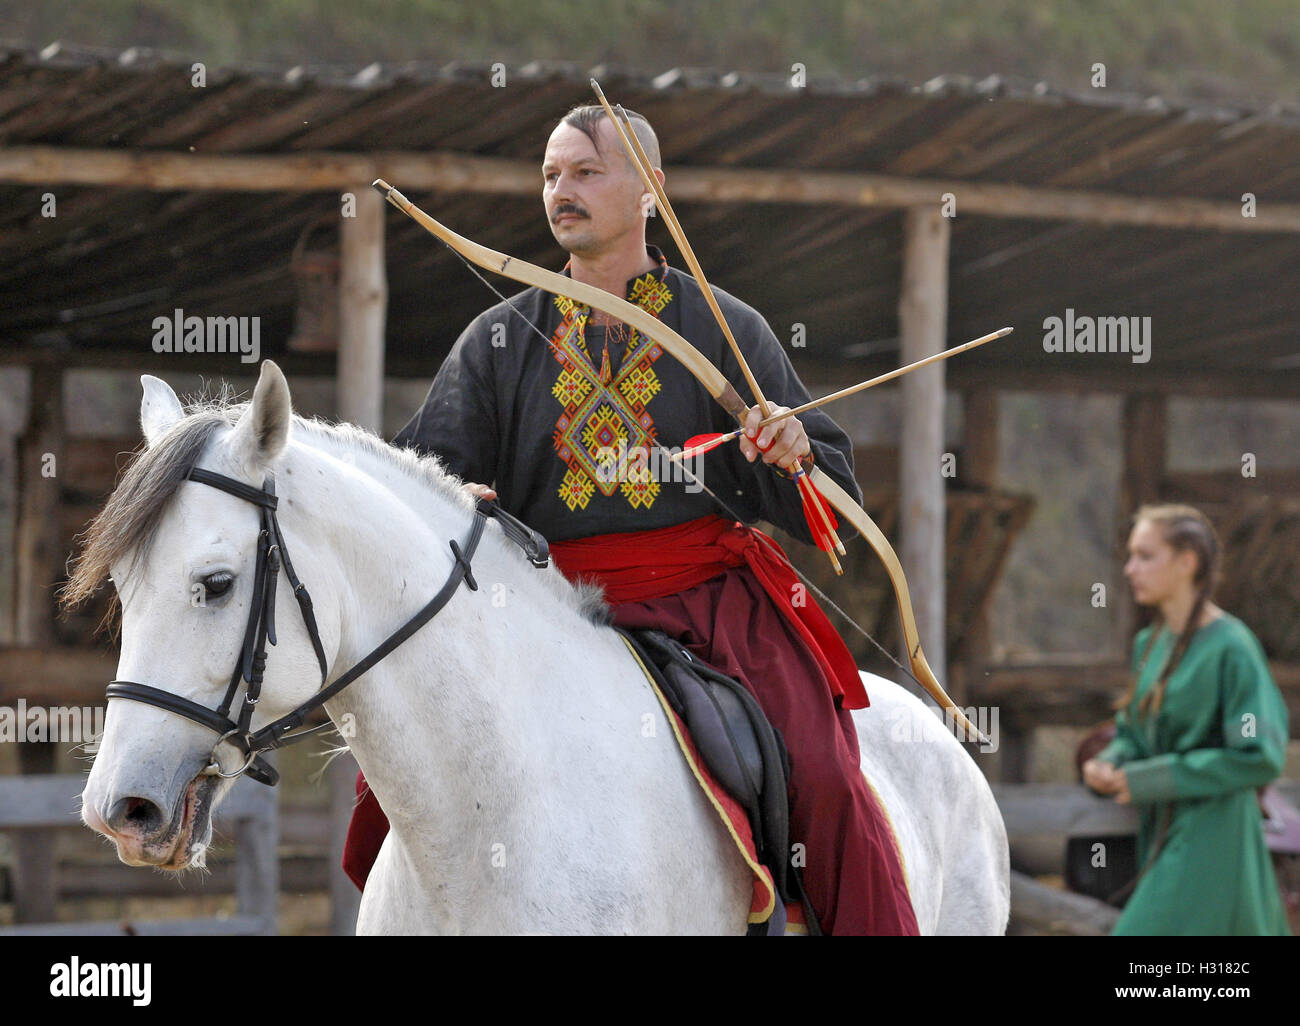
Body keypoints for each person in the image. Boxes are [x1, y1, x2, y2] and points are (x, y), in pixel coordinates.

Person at [343, 103, 918, 935]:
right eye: (549, 175)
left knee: (824, 773)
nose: (560, 191)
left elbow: (827, 492)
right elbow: (424, 476)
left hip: (709, 601)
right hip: (548, 609)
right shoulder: (498, 339)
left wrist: (788, 450)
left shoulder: (725, 326)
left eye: (585, 172)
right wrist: (453, 504)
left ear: (650, 189)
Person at [1083, 503, 1291, 935]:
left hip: (1217, 829)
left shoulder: (1233, 647)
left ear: (1187, 561)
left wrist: (1152, 779)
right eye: (1130, 556)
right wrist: (1111, 761)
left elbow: (1260, 756)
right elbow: (1135, 735)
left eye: (1145, 556)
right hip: (1164, 827)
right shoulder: (1149, 643)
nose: (1129, 569)